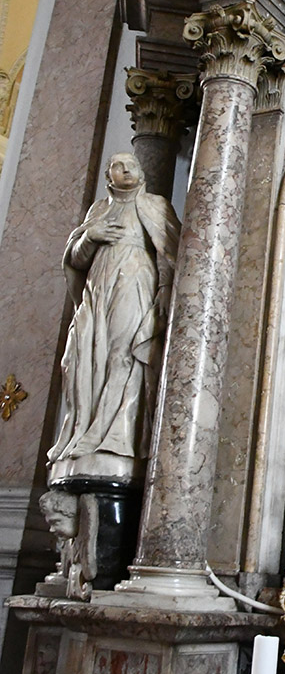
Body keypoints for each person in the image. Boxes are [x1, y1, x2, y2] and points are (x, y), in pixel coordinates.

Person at [48, 152, 180, 477]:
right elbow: (77, 261)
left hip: (135, 282)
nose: (126, 169)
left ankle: (117, 437)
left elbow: (168, 250)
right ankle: (83, 431)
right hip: (98, 289)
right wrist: (90, 237)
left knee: (126, 355)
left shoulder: (155, 204)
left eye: (132, 164)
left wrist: (164, 288)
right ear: (109, 174)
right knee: (83, 357)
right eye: (118, 165)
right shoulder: (99, 210)